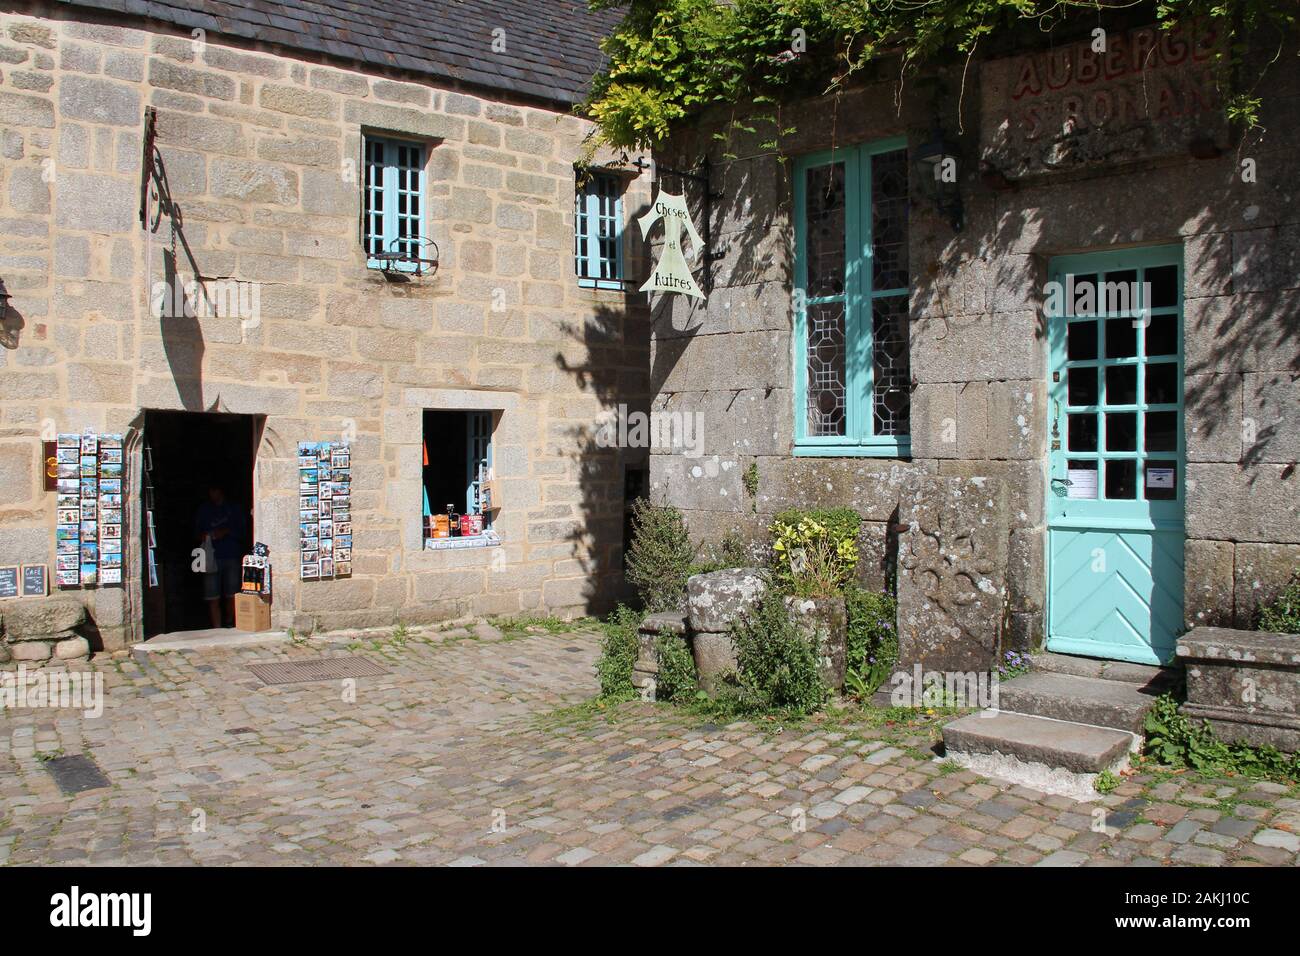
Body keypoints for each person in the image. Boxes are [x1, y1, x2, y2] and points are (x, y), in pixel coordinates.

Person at [194, 485, 246, 628]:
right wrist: (205, 536)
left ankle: (230, 621)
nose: (212, 493)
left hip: (231, 555)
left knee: (232, 595)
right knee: (212, 596)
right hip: (211, 558)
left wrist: (226, 532)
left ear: (221, 491)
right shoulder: (204, 510)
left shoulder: (233, 509)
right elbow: (196, 533)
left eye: (214, 490)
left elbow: (243, 531)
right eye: (210, 491)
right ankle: (216, 627)